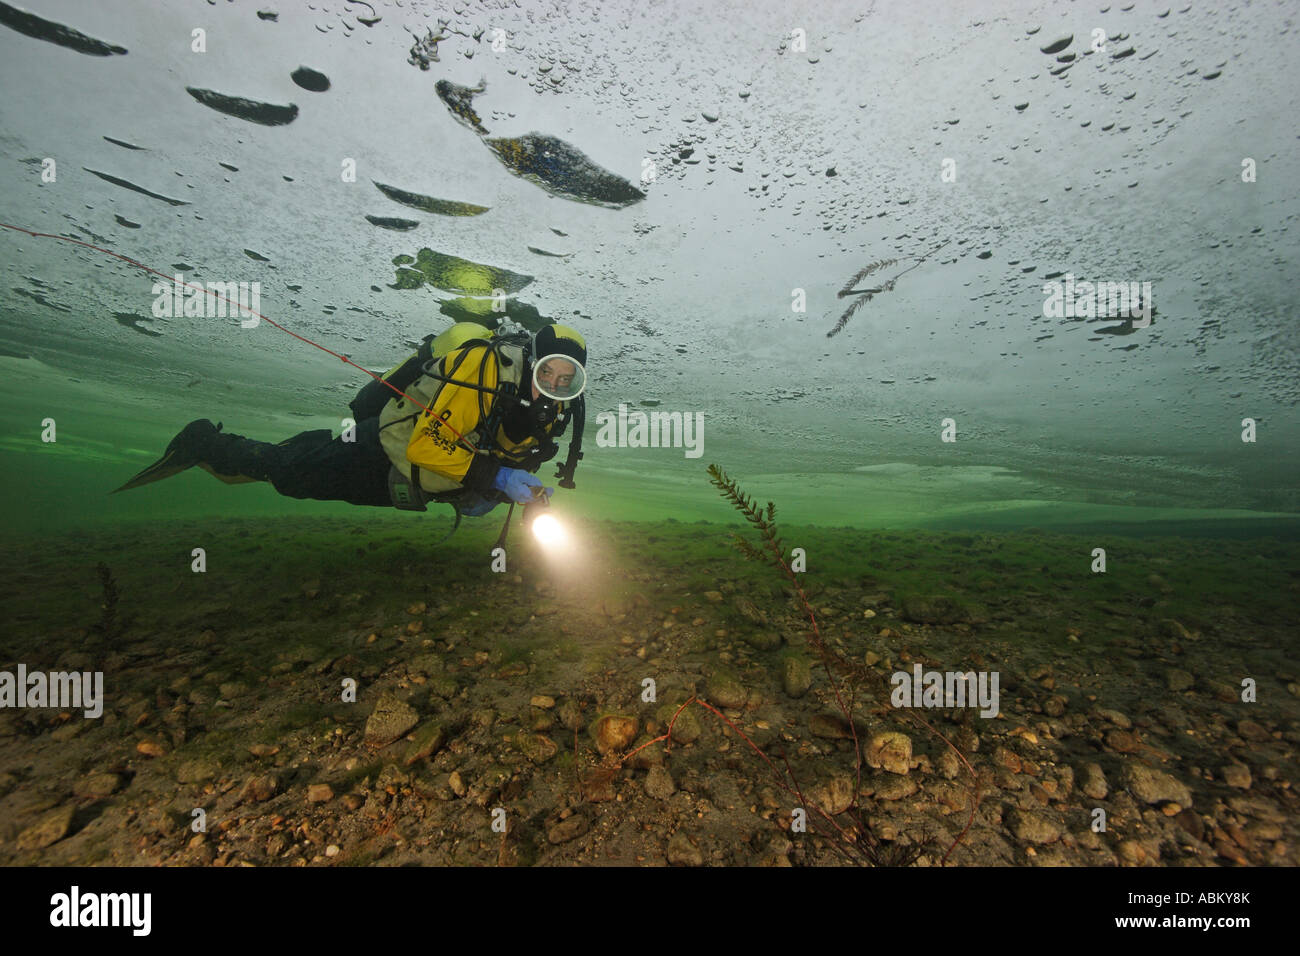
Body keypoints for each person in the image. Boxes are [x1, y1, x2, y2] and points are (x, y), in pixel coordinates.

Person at [115, 323, 588, 518]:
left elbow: (496, 451)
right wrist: (499, 477)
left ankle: (231, 458)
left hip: (413, 484)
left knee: (297, 473)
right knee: (290, 471)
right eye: (547, 371)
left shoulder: (559, 409)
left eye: (567, 379)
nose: (554, 385)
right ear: (531, 361)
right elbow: (426, 445)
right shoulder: (485, 371)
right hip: (385, 446)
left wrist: (509, 492)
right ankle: (204, 443)